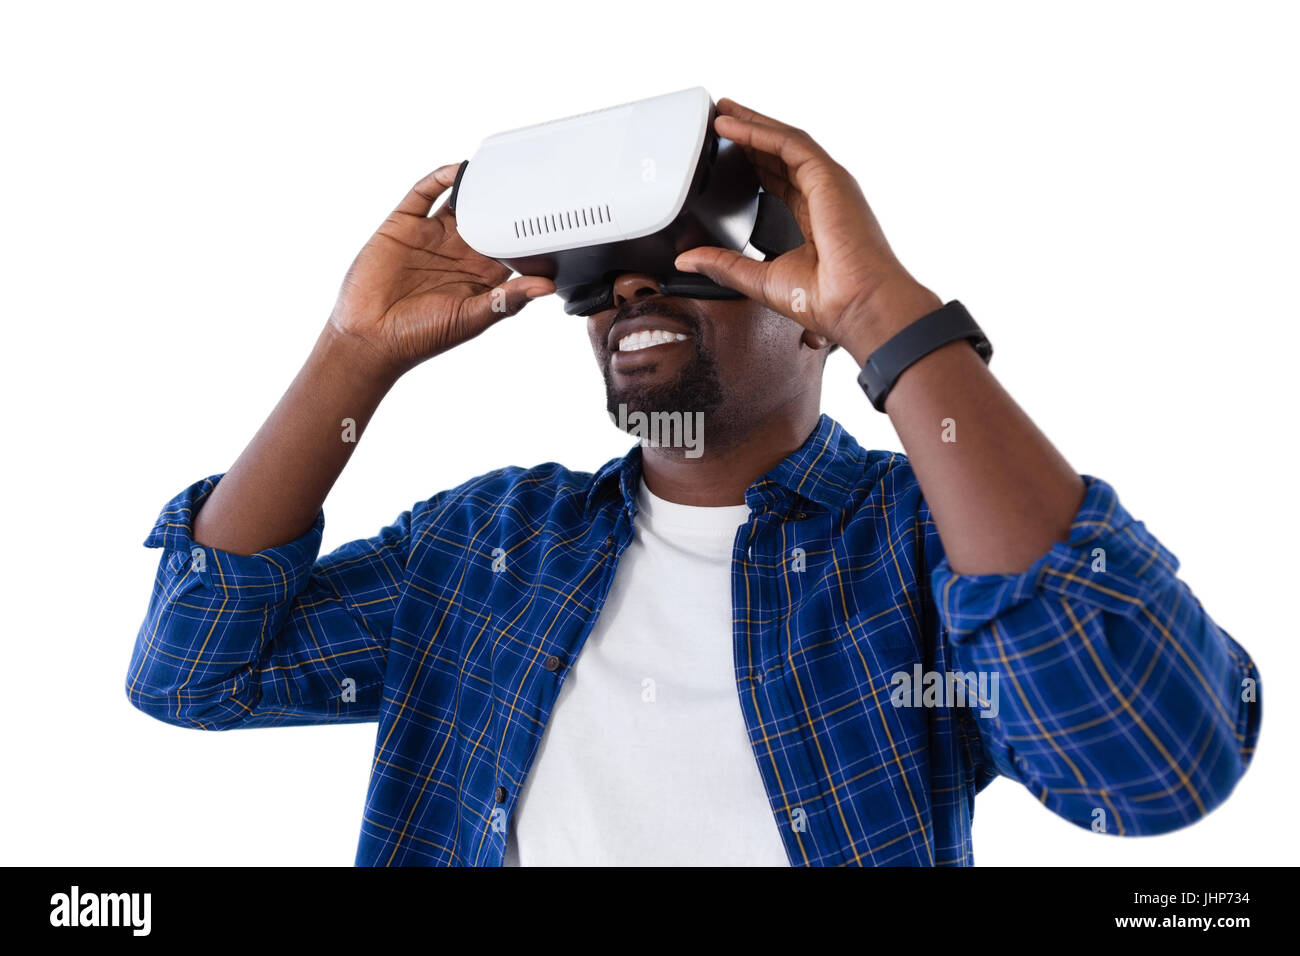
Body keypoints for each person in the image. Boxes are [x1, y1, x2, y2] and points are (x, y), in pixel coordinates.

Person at [127, 97, 1260, 866]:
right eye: (596, 281)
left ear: (810, 318)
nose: (629, 295)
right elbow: (193, 674)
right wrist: (353, 350)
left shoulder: (925, 548)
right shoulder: (484, 544)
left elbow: (1154, 761)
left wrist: (889, 319)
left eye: (684, 263)